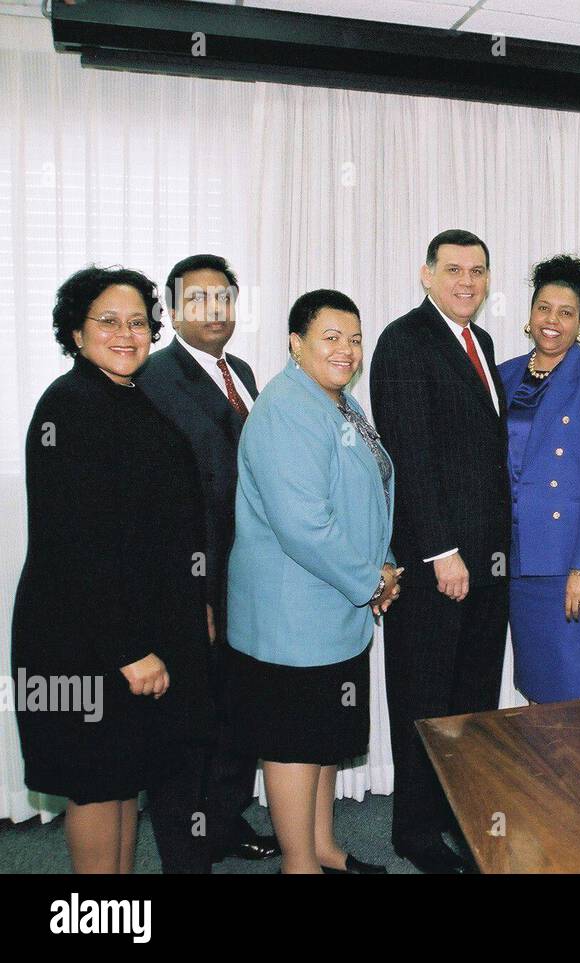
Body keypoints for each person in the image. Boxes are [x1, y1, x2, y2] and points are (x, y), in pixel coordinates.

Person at [12, 266, 212, 873]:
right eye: (108, 321)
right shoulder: (69, 407)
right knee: (98, 785)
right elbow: (74, 546)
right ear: (76, 331)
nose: (126, 334)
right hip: (84, 643)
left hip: (136, 629)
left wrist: (191, 607)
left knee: (126, 779)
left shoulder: (126, 395)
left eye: (137, 322)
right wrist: (129, 650)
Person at [226, 289, 397, 874]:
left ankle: (322, 846)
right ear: (295, 344)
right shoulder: (286, 411)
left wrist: (386, 562)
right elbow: (304, 527)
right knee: (295, 746)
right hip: (291, 617)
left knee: (323, 739)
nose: (347, 349)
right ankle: (298, 864)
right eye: (331, 337)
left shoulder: (337, 403)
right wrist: (370, 582)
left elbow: (367, 495)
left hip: (332, 611)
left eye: (354, 338)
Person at [369, 229, 510, 874]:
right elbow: (410, 452)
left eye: (477, 272)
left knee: (471, 698)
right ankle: (415, 833)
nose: (467, 282)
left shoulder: (478, 342)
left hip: (487, 560)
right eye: (453, 270)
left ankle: (458, 814)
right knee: (424, 699)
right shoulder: (404, 341)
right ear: (425, 274)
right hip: (437, 561)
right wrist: (440, 550)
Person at [135, 253, 278, 871]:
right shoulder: (154, 378)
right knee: (189, 729)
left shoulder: (240, 370)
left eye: (222, 297)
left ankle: (221, 823)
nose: (212, 310)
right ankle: (186, 854)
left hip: (247, 579)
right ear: (170, 310)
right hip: (194, 585)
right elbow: (163, 501)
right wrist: (197, 597)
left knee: (236, 715)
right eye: (196, 299)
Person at [497, 256, 580, 702]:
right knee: (539, 687)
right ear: (530, 314)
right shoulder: (503, 375)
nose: (553, 321)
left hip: (574, 562)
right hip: (520, 562)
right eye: (544, 308)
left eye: (566, 313)